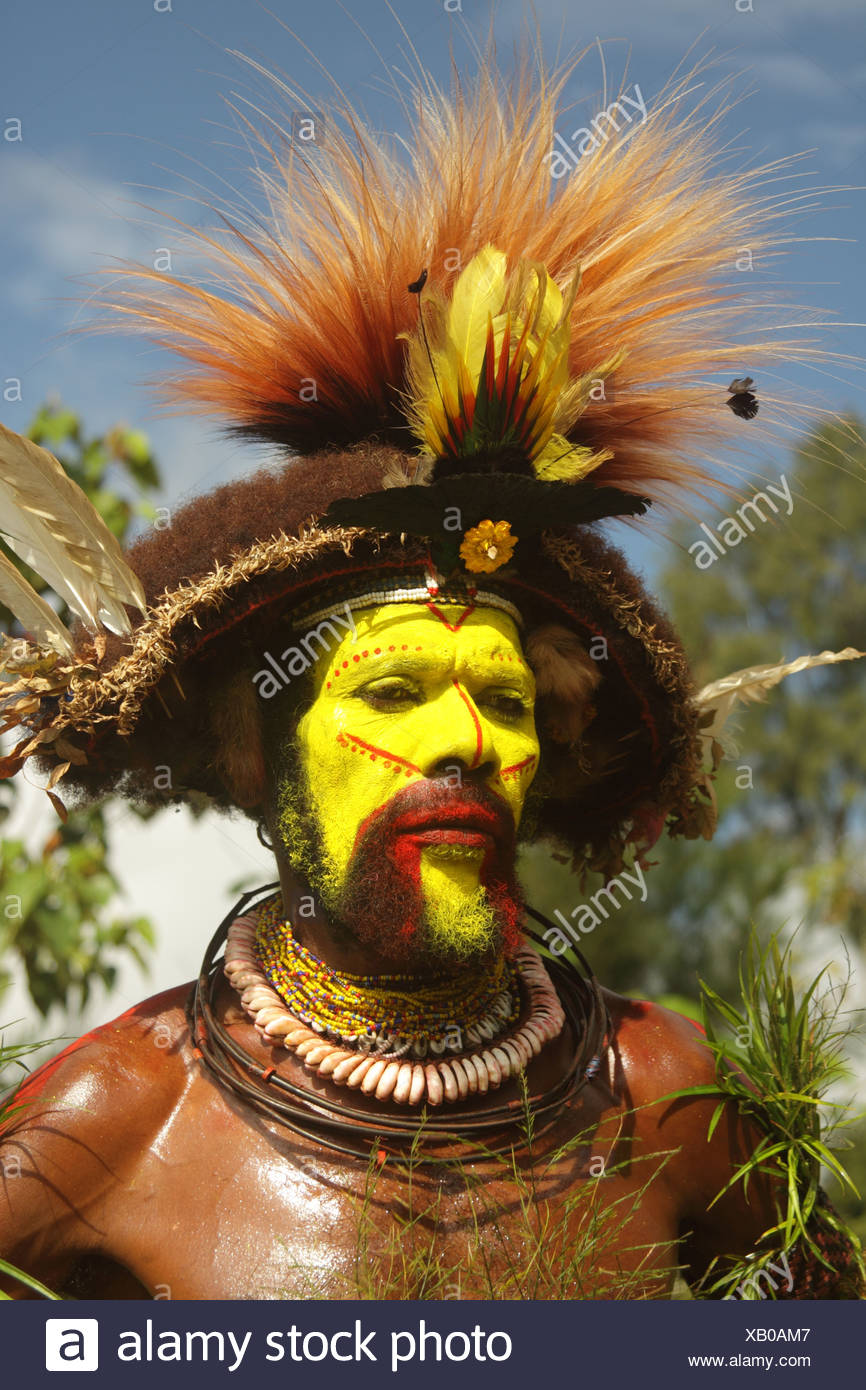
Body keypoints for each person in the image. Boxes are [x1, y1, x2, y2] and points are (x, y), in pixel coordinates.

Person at [0, 44, 862, 1300]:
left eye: (506, 700)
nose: (464, 739)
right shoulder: (113, 1125)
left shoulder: (667, 1100)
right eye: (394, 692)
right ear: (253, 748)